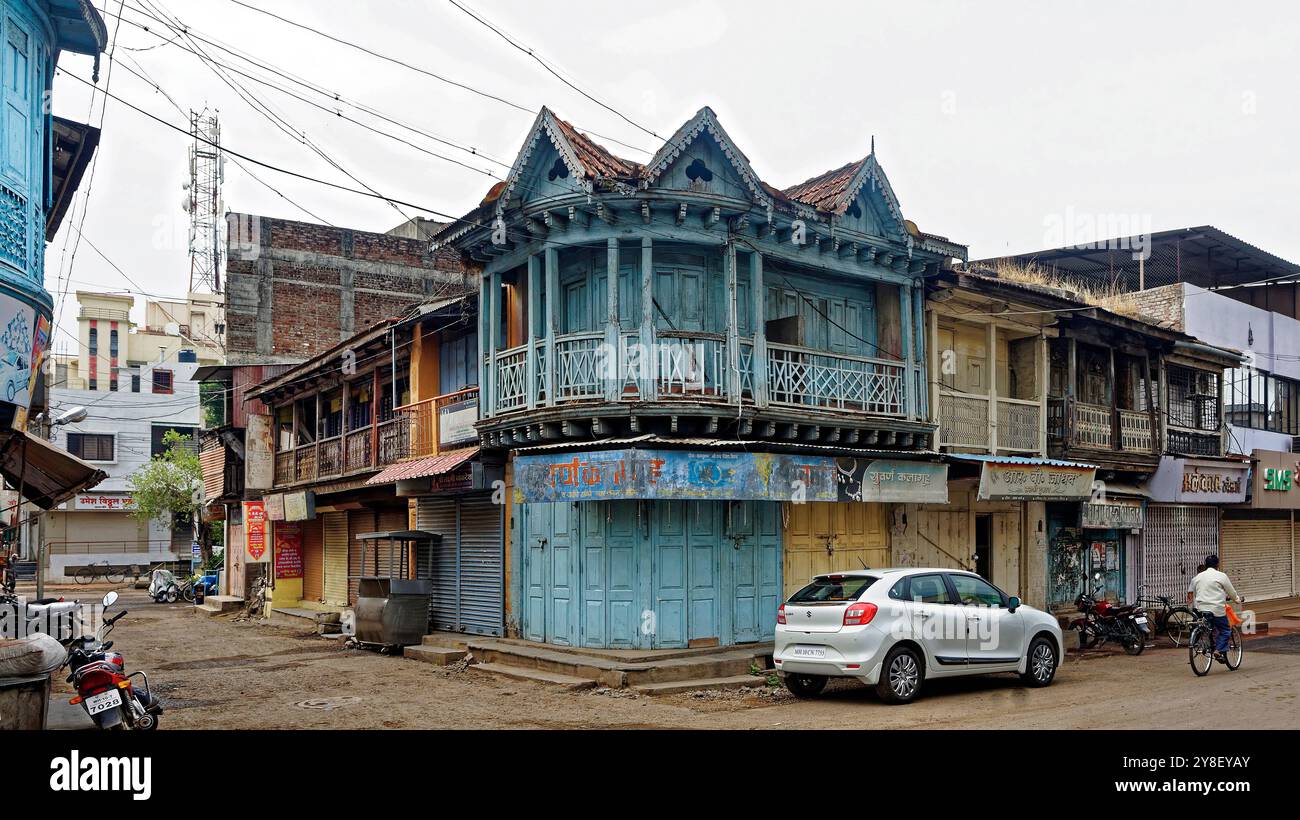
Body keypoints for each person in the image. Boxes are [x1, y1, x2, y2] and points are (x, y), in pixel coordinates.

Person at [1187, 555, 1241, 663]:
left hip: (1200, 609)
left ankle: (1203, 643)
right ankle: (1218, 650)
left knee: (1208, 627)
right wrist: (1237, 600)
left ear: (1206, 565)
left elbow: (1190, 594)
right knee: (1225, 631)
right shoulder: (1221, 576)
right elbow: (1231, 592)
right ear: (1217, 565)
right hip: (1216, 609)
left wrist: (1191, 609)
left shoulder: (1197, 577)